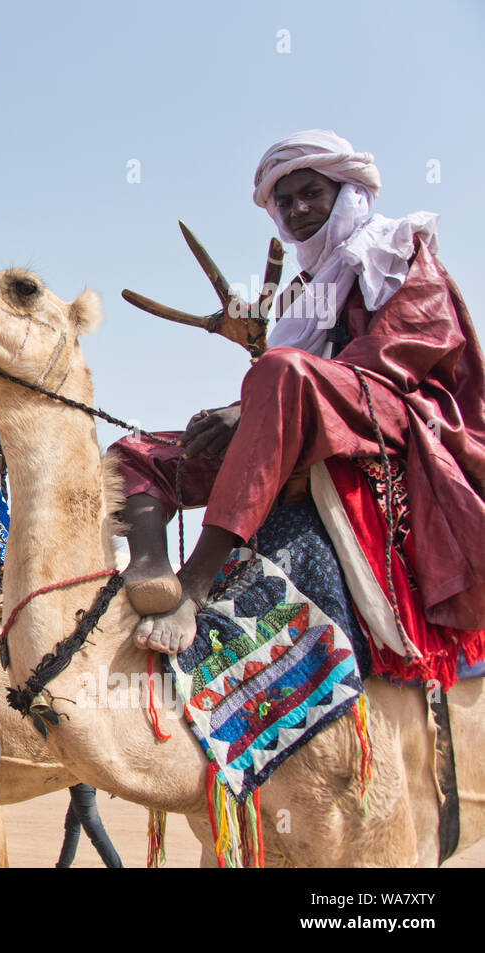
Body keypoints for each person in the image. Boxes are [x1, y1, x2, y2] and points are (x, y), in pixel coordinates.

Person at [114, 130, 485, 656]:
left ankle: (193, 591)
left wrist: (250, 406)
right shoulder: (303, 290)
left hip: (398, 418)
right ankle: (152, 570)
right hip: (304, 411)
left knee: (282, 370)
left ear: (346, 191)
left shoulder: (397, 252)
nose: (297, 208)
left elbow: (392, 363)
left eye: (312, 192)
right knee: (136, 451)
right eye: (283, 201)